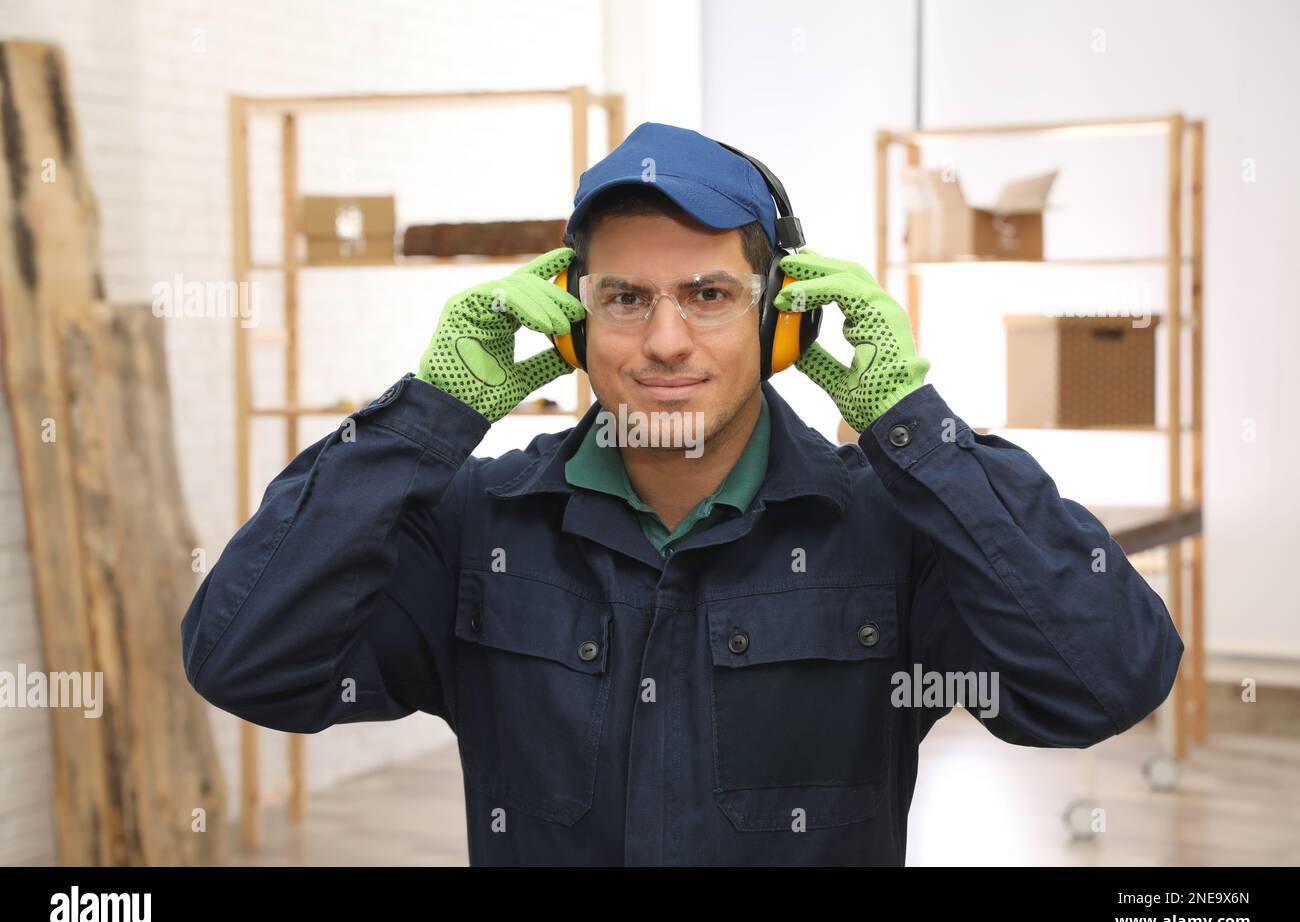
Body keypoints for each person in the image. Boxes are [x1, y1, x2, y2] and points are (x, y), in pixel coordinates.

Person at [181, 121, 1183, 865]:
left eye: (709, 294)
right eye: (623, 297)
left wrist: (913, 426)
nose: (663, 340)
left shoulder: (885, 527)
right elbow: (246, 662)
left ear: (783, 323)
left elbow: (1103, 680)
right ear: (573, 323)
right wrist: (424, 417)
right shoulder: (476, 525)